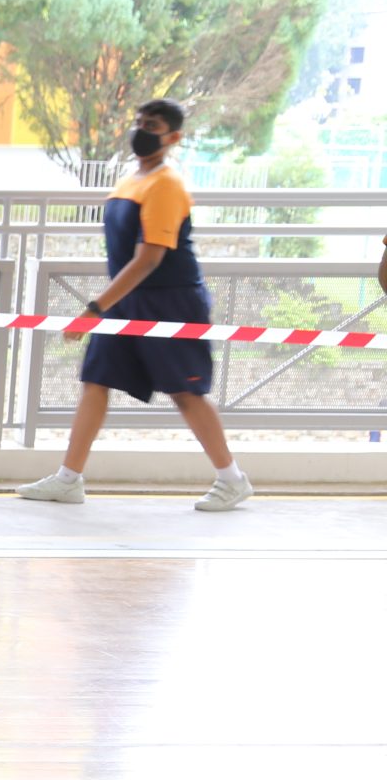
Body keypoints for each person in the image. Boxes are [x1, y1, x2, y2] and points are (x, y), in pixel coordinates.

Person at [18, 100, 250, 512]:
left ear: (173, 137)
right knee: (96, 378)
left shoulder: (166, 184)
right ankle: (69, 478)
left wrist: (94, 309)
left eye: (153, 125)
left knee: (186, 391)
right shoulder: (133, 179)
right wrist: (108, 305)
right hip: (128, 299)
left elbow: (148, 258)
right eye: (139, 123)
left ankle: (232, 480)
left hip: (171, 301)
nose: (141, 130)